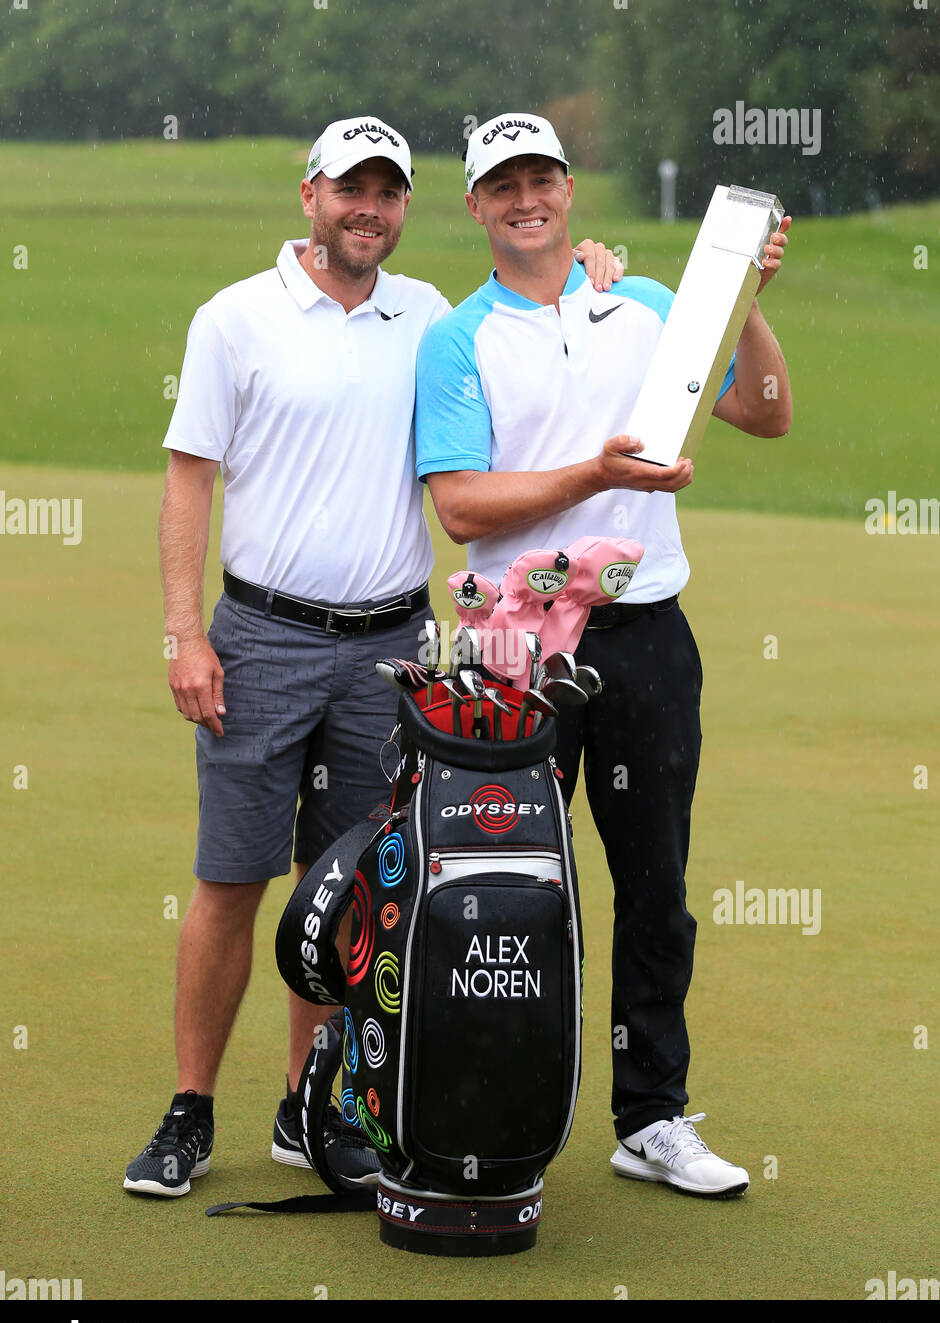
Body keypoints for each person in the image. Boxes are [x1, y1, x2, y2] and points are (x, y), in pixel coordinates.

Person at [124, 115, 622, 1198]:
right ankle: (189, 1109)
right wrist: (184, 633)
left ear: (405, 207)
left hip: (391, 645)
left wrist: (588, 269)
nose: (369, 207)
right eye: (351, 187)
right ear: (308, 193)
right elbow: (187, 482)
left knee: (349, 885)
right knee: (229, 878)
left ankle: (316, 1110)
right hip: (258, 636)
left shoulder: (431, 318)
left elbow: (529, 314)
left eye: (388, 191)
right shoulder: (235, 318)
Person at [415, 112, 792, 1198]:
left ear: (569, 189)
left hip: (645, 637)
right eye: (503, 185)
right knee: (501, 889)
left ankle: (652, 1117)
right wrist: (595, 475)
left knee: (655, 885)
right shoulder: (458, 339)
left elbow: (761, 414)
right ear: (478, 205)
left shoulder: (645, 307)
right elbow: (459, 504)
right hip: (512, 644)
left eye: (542, 178)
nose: (525, 198)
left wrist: (744, 308)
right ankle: (491, 1113)